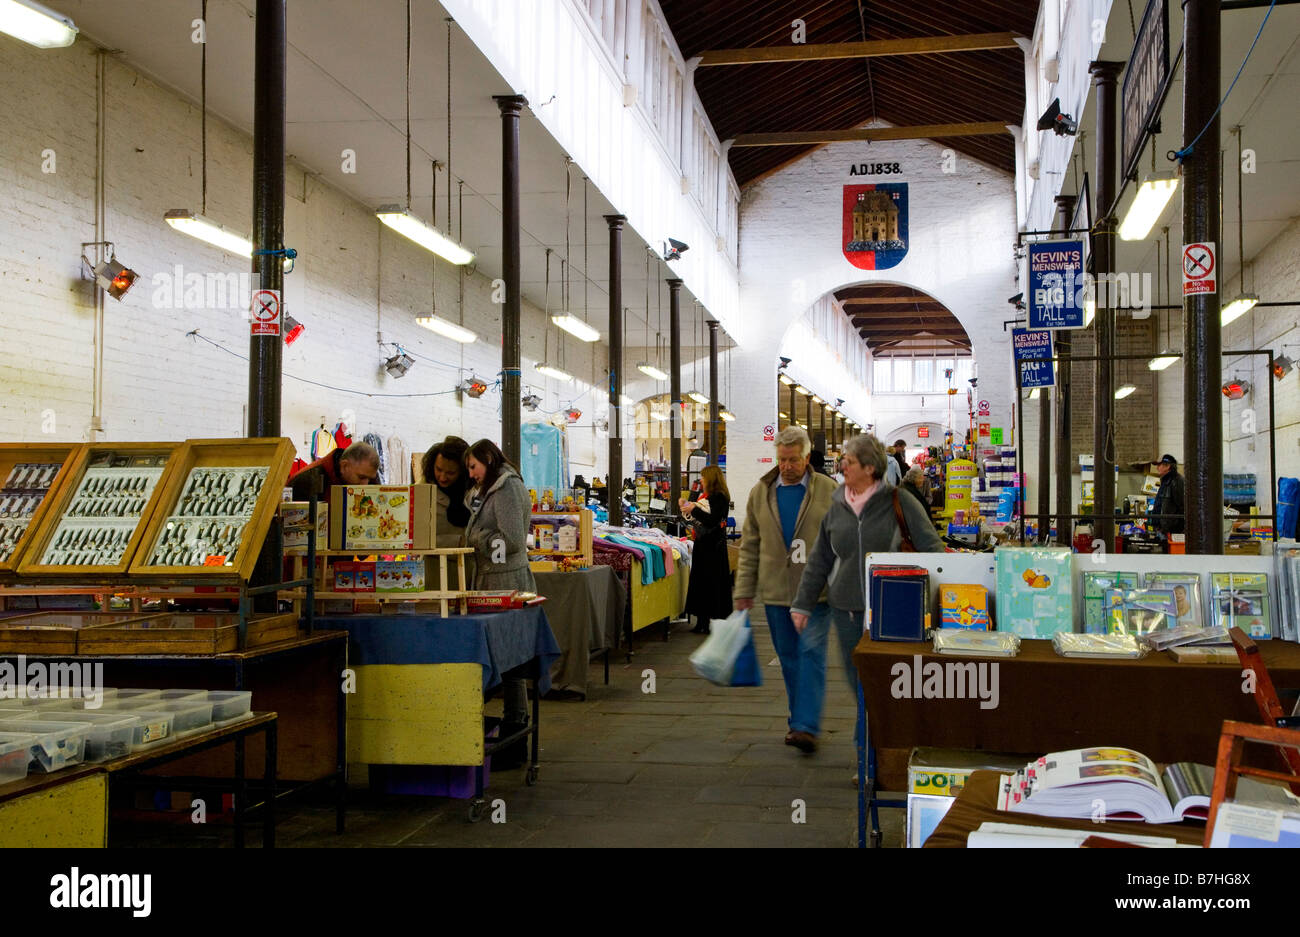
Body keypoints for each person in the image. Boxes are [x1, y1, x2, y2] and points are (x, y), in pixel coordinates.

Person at [790, 434, 943, 751]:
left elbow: (933, 550)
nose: (843, 465)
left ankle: (879, 753)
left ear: (870, 468)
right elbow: (820, 558)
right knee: (861, 684)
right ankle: (872, 755)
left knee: (886, 686)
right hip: (847, 611)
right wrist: (802, 605)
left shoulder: (900, 501)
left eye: (850, 461)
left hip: (896, 612)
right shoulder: (837, 506)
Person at [734, 426, 837, 753]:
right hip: (776, 592)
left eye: (793, 460)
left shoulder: (829, 491)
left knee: (811, 655)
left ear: (807, 458)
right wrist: (743, 590)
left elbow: (844, 542)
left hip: (816, 594)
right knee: (790, 659)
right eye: (782, 459)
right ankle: (799, 720)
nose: (787, 466)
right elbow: (749, 546)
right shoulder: (760, 492)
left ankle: (805, 725)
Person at [464, 439, 537, 766]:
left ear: (488, 460)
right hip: (496, 577)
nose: (471, 473)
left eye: (473, 466)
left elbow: (510, 539)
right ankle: (514, 727)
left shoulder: (506, 489)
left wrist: (475, 540)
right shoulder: (495, 487)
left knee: (511, 658)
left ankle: (514, 729)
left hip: (505, 580)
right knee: (510, 657)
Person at [680, 464, 733, 634]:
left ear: (711, 478)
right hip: (704, 545)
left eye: (703, 477)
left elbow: (711, 520)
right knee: (702, 583)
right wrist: (688, 505)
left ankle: (711, 621)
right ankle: (702, 621)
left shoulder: (720, 498)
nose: (701, 480)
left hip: (714, 548)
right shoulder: (707, 496)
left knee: (711, 584)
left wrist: (694, 509)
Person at [420, 436, 471, 548]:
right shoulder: (422, 492)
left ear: (463, 471)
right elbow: (418, 538)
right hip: (435, 563)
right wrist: (458, 542)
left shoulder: (473, 491)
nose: (442, 477)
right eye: (438, 469)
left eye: (451, 473)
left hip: (469, 563)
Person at [288, 440, 379, 499]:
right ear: (344, 466)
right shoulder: (305, 481)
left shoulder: (368, 473)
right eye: (361, 477)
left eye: (369, 479)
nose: (365, 485)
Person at [1150, 453, 1186, 543]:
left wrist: (1173, 528)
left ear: (1167, 466)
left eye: (1159, 465)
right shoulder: (1166, 481)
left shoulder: (1177, 482)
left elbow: (1183, 506)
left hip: (1171, 531)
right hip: (1163, 529)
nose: (1157, 467)